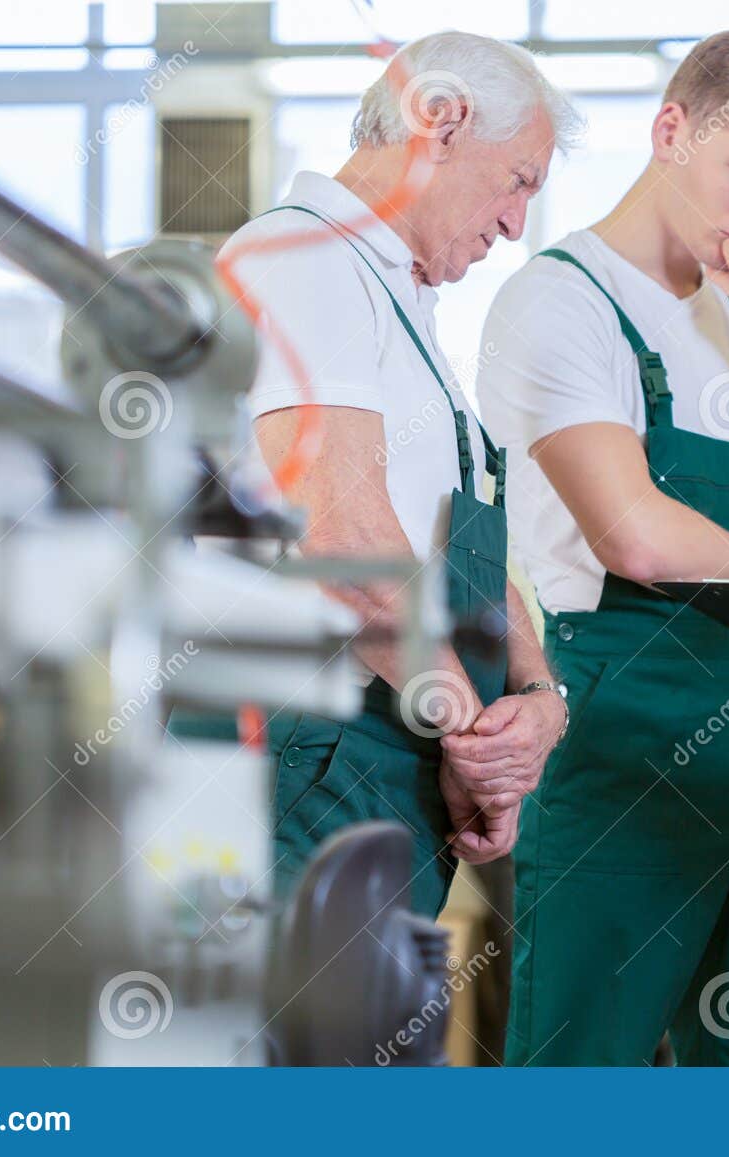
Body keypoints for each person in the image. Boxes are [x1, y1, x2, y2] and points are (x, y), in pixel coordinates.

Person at [477, 28, 729, 1065]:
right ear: (669, 130)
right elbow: (636, 533)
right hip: (627, 748)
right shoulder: (560, 303)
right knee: (581, 1065)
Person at [218, 32, 583, 915]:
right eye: (519, 180)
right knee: (305, 1046)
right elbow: (342, 539)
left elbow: (462, 549)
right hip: (320, 750)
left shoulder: (402, 307)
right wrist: (472, 740)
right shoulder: (302, 256)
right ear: (443, 123)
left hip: (397, 740)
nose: (514, 223)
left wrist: (537, 698)